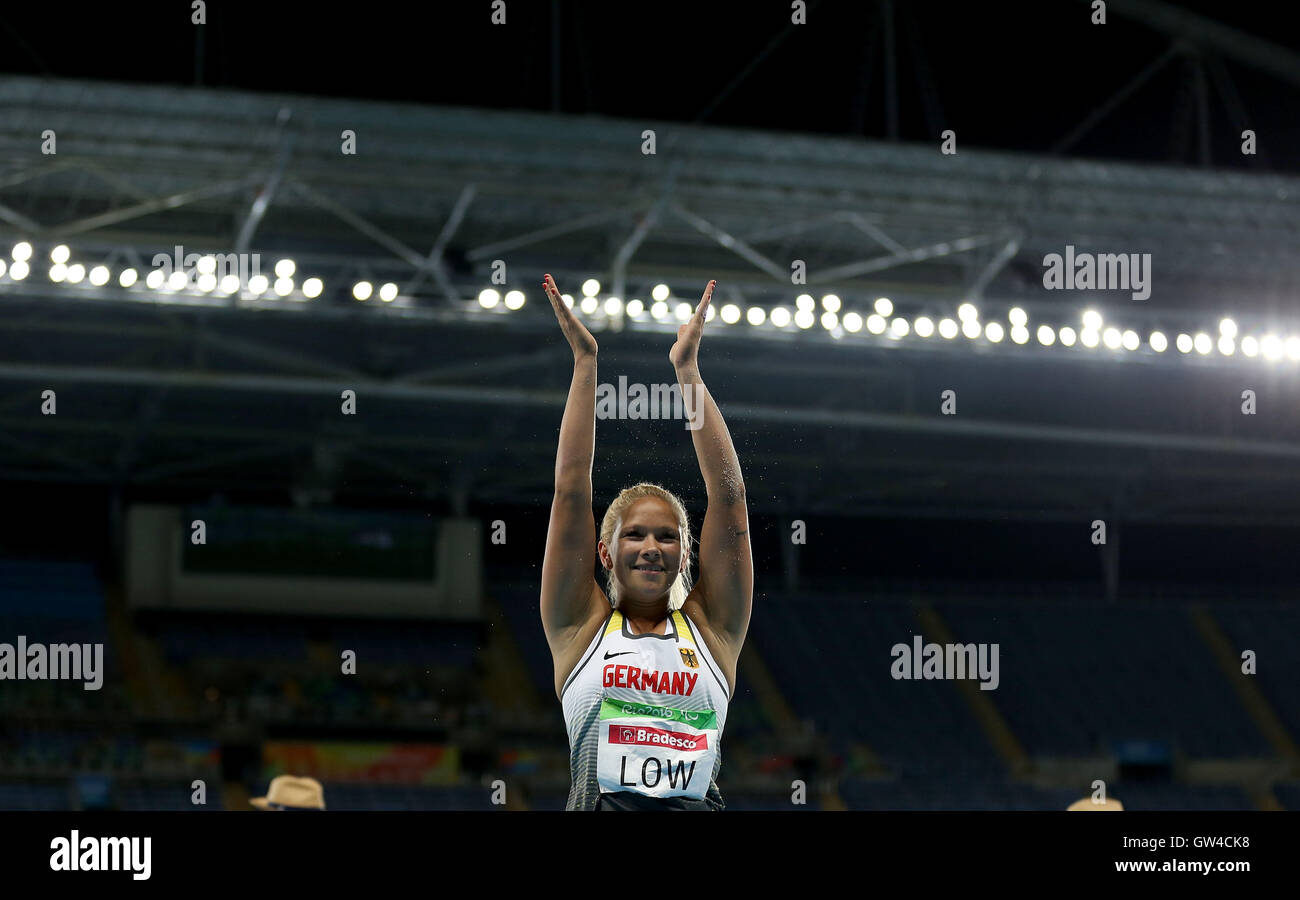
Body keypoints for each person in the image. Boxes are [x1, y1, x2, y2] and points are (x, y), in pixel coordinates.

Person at [539, 274, 753, 811]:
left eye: (667, 536)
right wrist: (585, 365)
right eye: (634, 534)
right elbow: (569, 492)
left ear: (685, 554)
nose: (652, 546)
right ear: (606, 553)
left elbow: (730, 503)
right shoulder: (577, 628)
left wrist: (688, 373)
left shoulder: (714, 632)